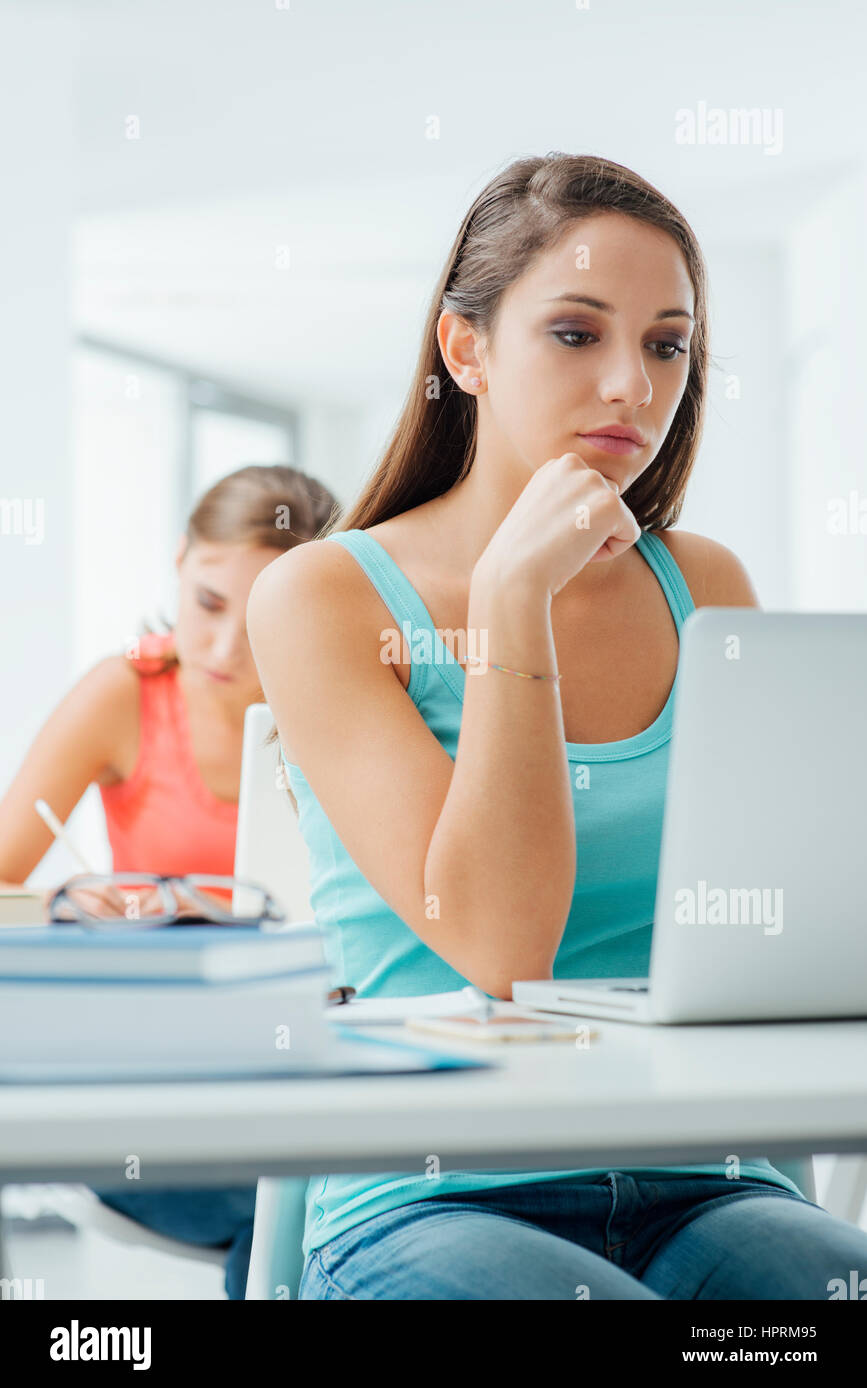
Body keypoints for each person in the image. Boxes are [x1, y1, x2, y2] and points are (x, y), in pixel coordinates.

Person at [247, 153, 867, 1300]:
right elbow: (503, 946)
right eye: (578, 334)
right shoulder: (322, 596)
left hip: (707, 1179)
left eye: (668, 343)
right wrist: (508, 599)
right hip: (432, 1194)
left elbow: (790, 926)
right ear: (465, 350)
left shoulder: (706, 585)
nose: (633, 383)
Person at [0, 463, 339, 1299]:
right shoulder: (124, 694)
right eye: (209, 603)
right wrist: (73, 905)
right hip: (149, 1090)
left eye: (259, 621)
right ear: (180, 562)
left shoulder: (339, 708)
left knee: (331, 1192)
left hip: (294, 1071)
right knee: (289, 1207)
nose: (223, 650)